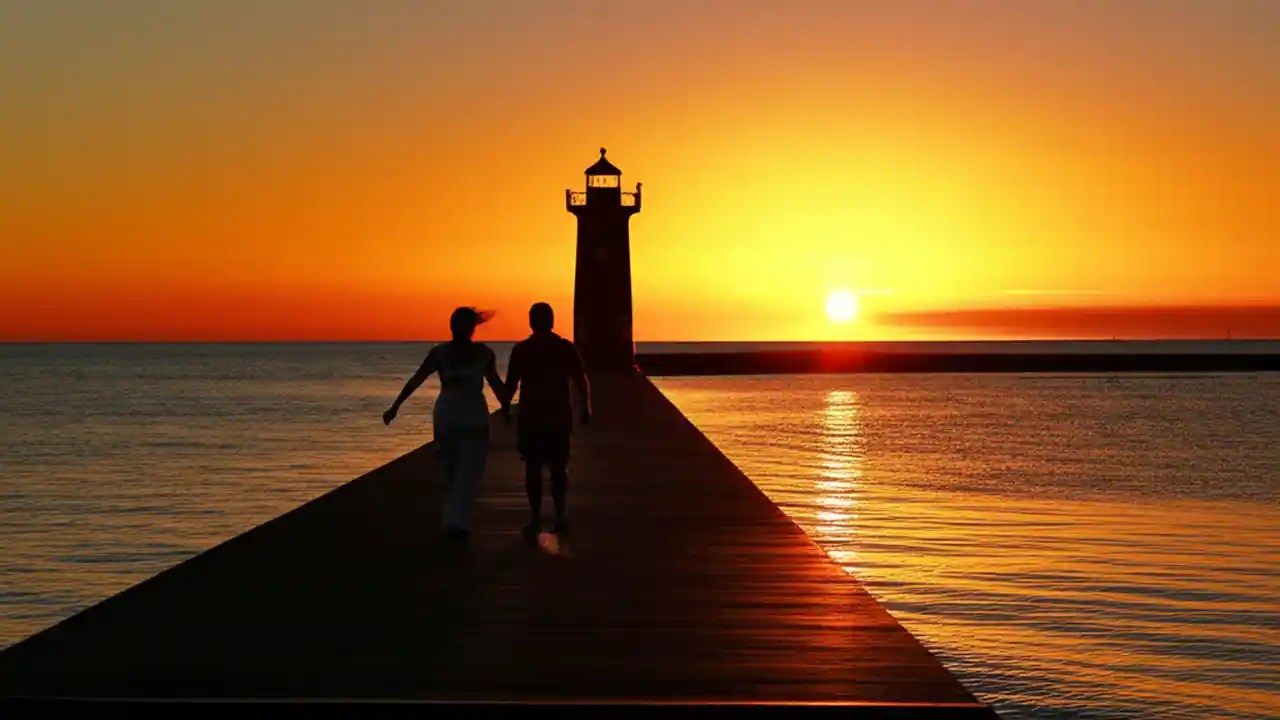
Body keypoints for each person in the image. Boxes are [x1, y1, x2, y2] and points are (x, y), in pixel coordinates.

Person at [384, 307, 507, 538]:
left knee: (471, 471)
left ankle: (455, 520)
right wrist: (395, 406)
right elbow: (417, 379)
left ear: (471, 328)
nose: (460, 329)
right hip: (448, 417)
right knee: (452, 470)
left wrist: (507, 407)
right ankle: (453, 520)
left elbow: (494, 382)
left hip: (475, 418)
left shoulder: (484, 353)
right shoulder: (439, 353)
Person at [504, 302, 591, 537]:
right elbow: (581, 380)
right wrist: (585, 406)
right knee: (558, 468)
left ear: (531, 322)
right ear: (552, 322)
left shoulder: (522, 349)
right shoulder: (564, 348)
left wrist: (505, 408)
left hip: (531, 417)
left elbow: (511, 383)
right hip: (558, 416)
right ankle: (559, 516)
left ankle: (535, 519)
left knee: (533, 469)